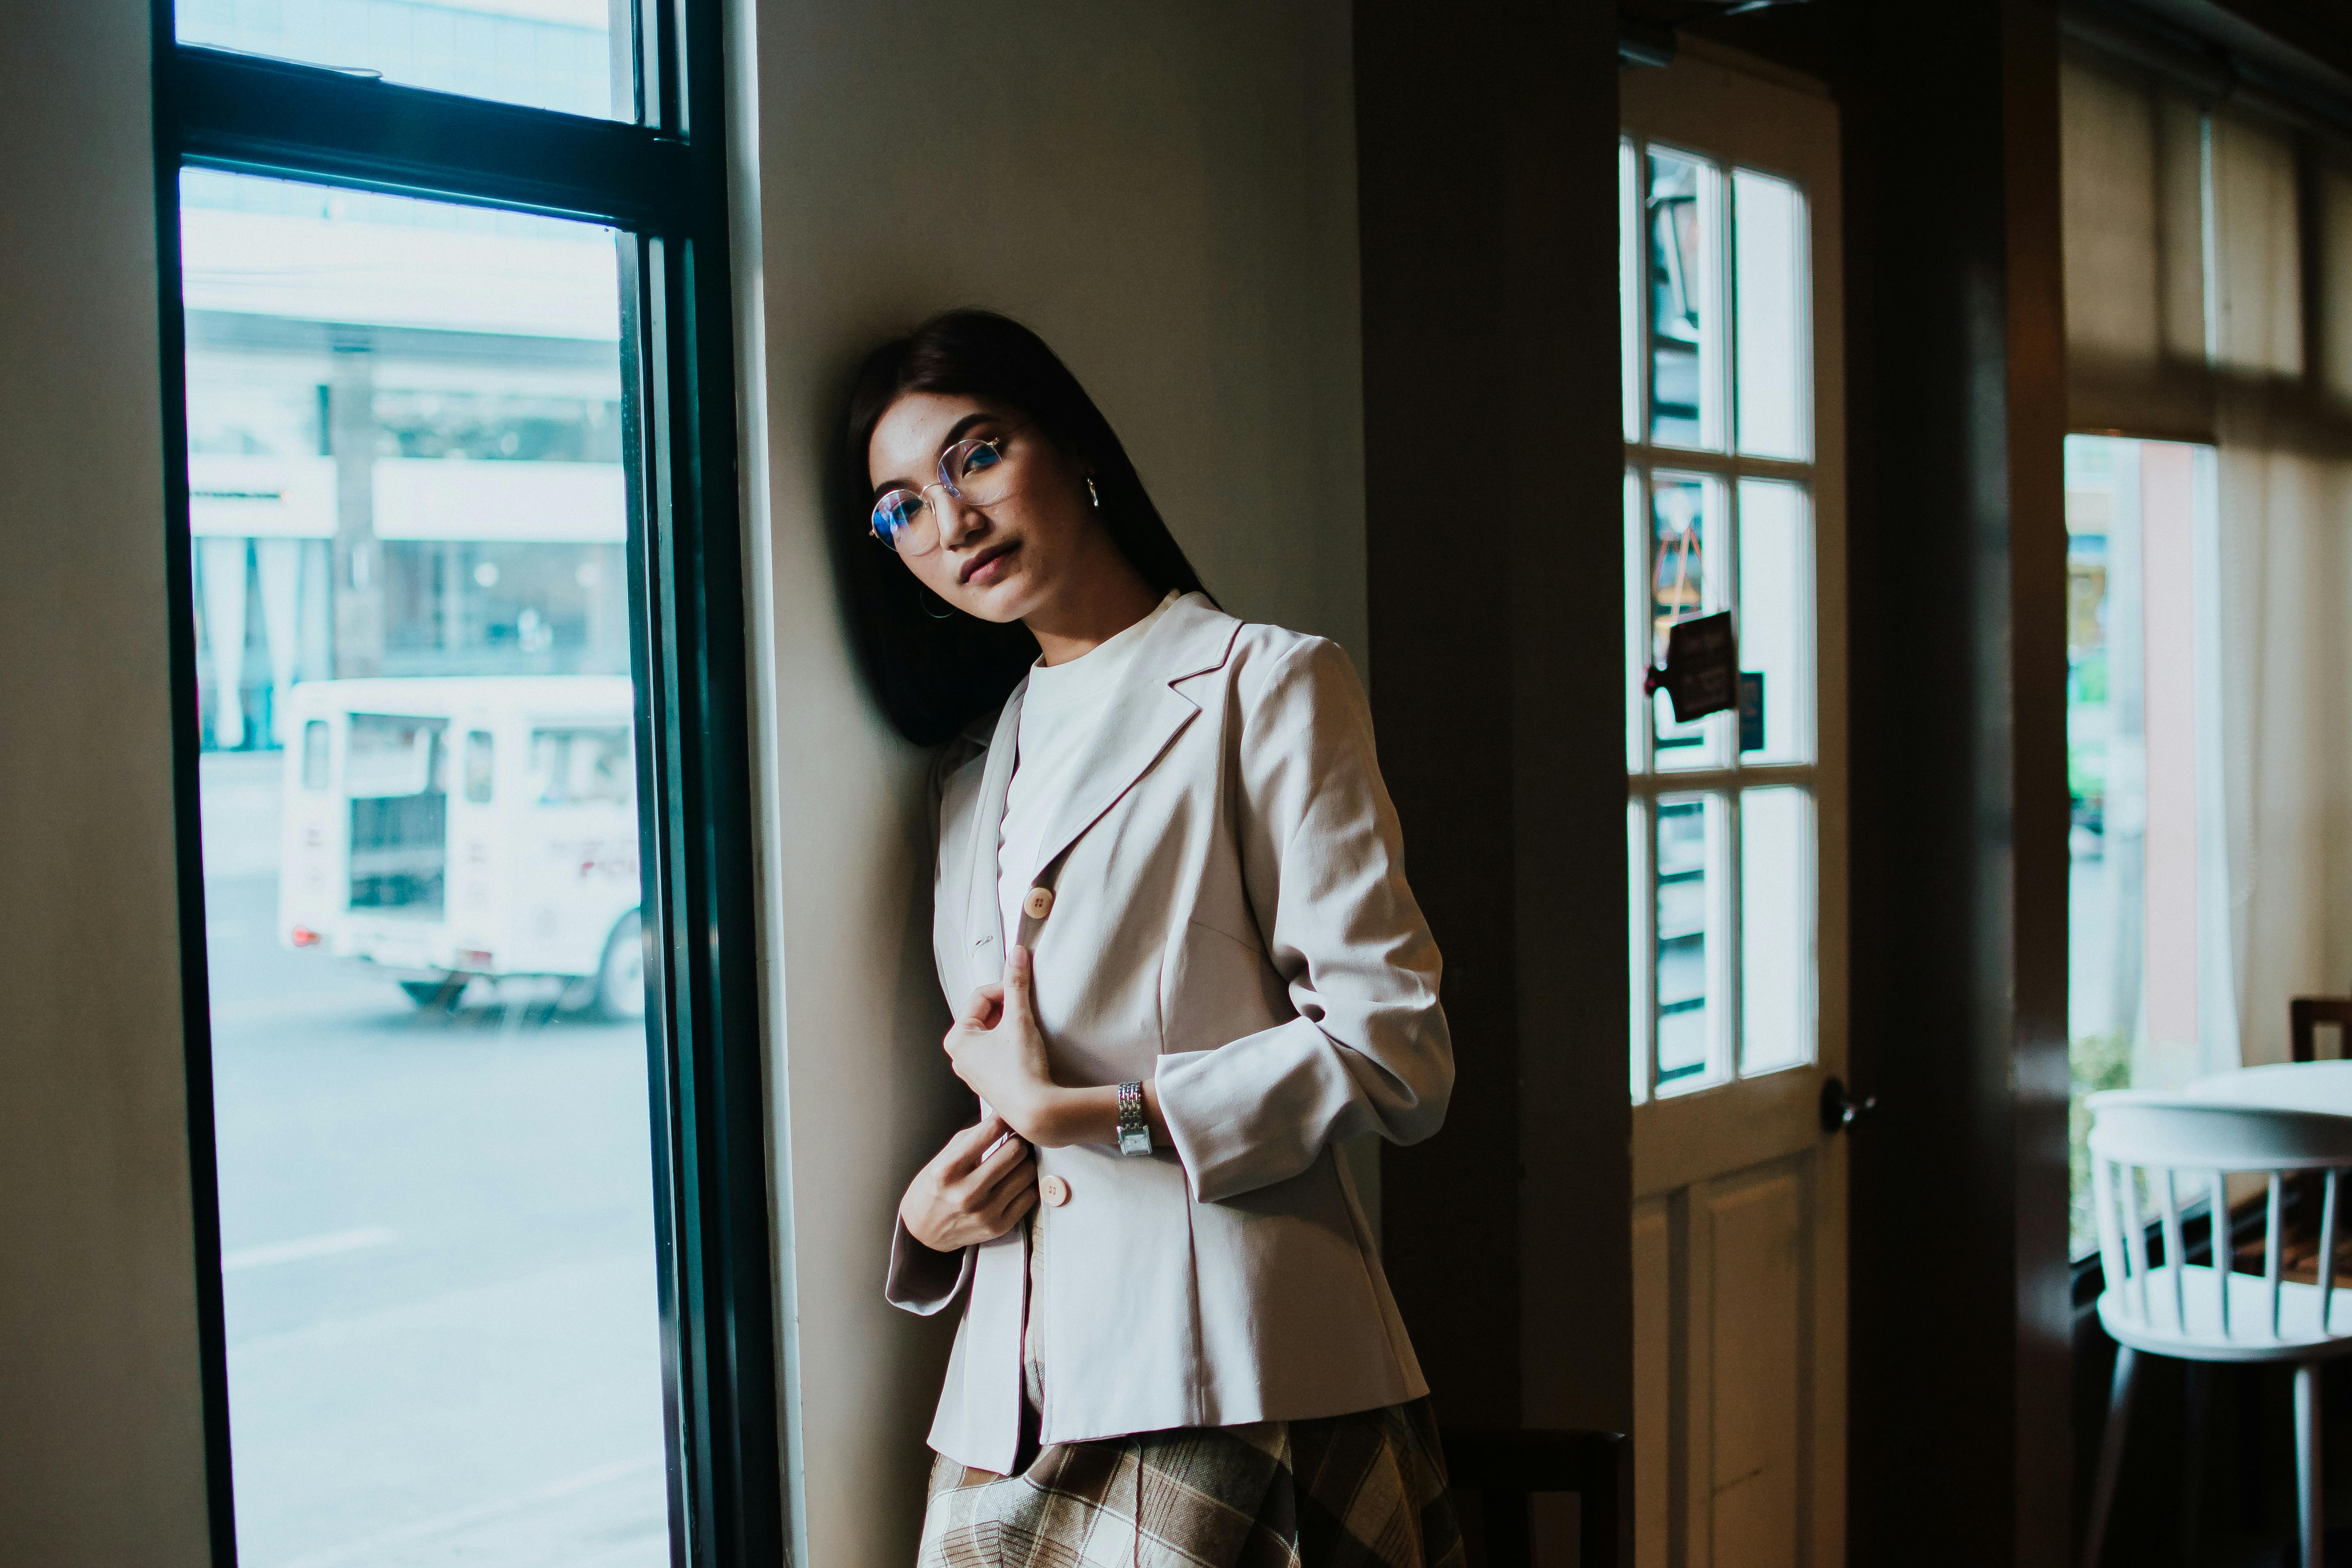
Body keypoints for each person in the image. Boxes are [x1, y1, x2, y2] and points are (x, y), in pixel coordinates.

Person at [842, 310, 1459, 1567]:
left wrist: (1091, 1116)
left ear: (1071, 446)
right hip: (1009, 1403)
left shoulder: (1267, 684)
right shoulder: (969, 779)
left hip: (1234, 1378)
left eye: (974, 456)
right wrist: (928, 1222)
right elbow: (1001, 1085)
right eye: (901, 504)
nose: (949, 522)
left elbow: (1399, 1054)